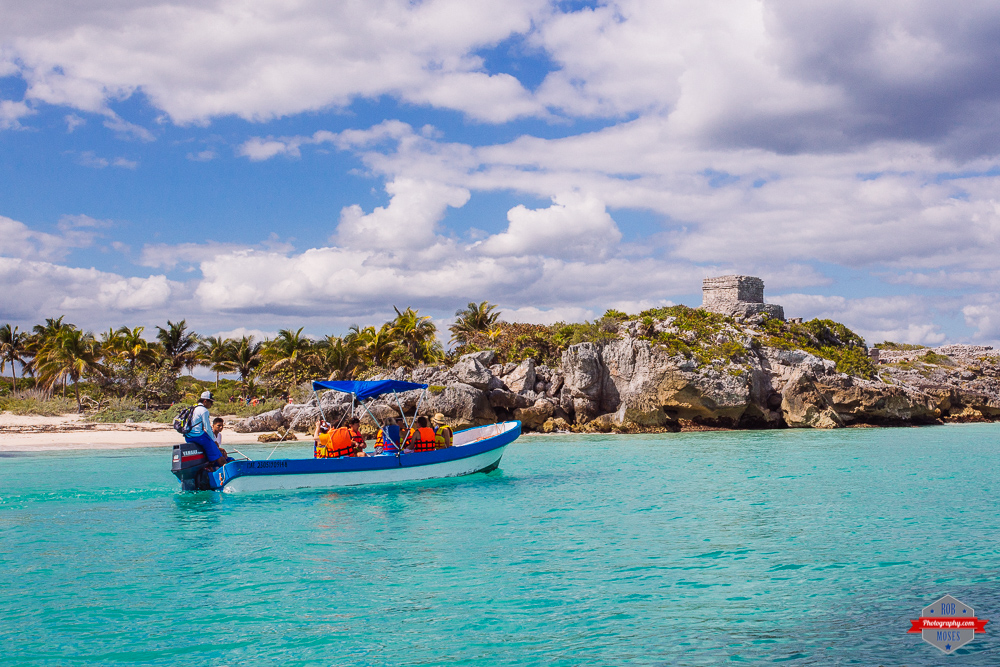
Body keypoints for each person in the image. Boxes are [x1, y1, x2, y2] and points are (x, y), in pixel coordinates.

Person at [185, 391, 227, 467]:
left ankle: (209, 466)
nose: (212, 404)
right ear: (205, 401)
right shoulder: (204, 410)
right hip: (198, 436)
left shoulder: (193, 408)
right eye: (210, 402)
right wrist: (214, 440)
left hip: (188, 437)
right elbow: (207, 427)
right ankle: (226, 470)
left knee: (209, 450)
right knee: (218, 453)